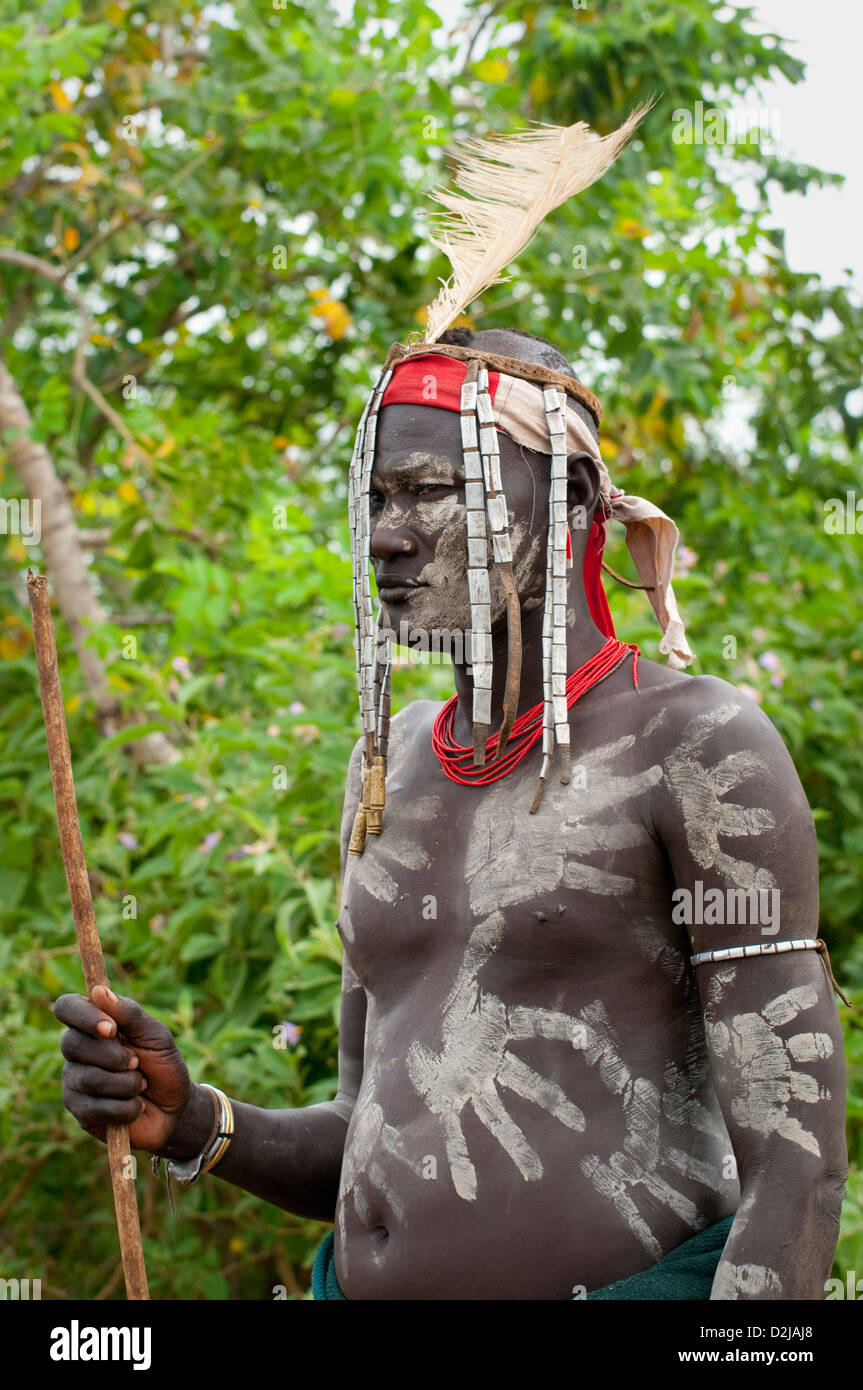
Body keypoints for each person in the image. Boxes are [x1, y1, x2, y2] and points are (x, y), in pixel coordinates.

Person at [54, 115, 848, 1300]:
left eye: (431, 490)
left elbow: (796, 1167)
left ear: (572, 499)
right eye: (373, 495)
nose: (383, 533)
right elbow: (372, 1136)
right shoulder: (396, 779)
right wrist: (201, 1121)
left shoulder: (696, 744)